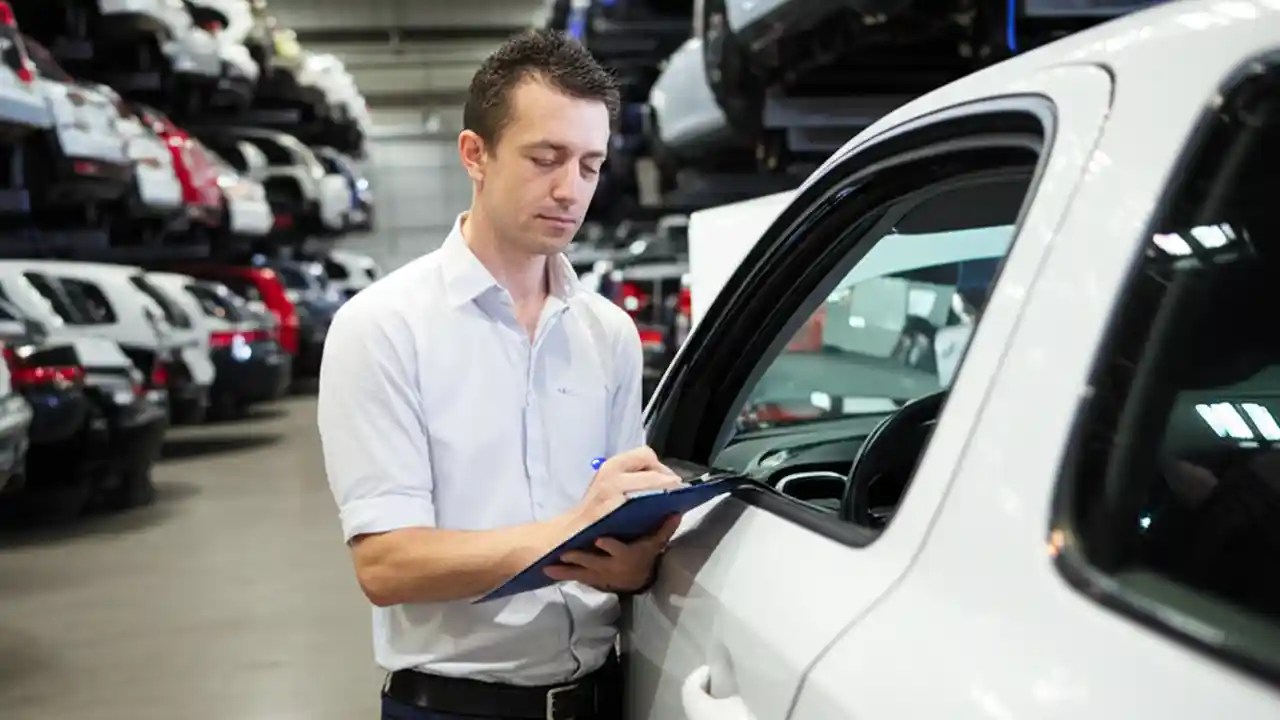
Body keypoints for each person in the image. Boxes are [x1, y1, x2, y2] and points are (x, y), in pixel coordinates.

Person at [316, 29, 684, 720]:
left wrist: (636, 564)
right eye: (545, 158)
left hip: (600, 697)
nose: (569, 189)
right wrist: (572, 526)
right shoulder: (385, 327)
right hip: (455, 707)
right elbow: (388, 565)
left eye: (590, 165)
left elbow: (618, 507)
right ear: (474, 155)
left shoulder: (607, 333)